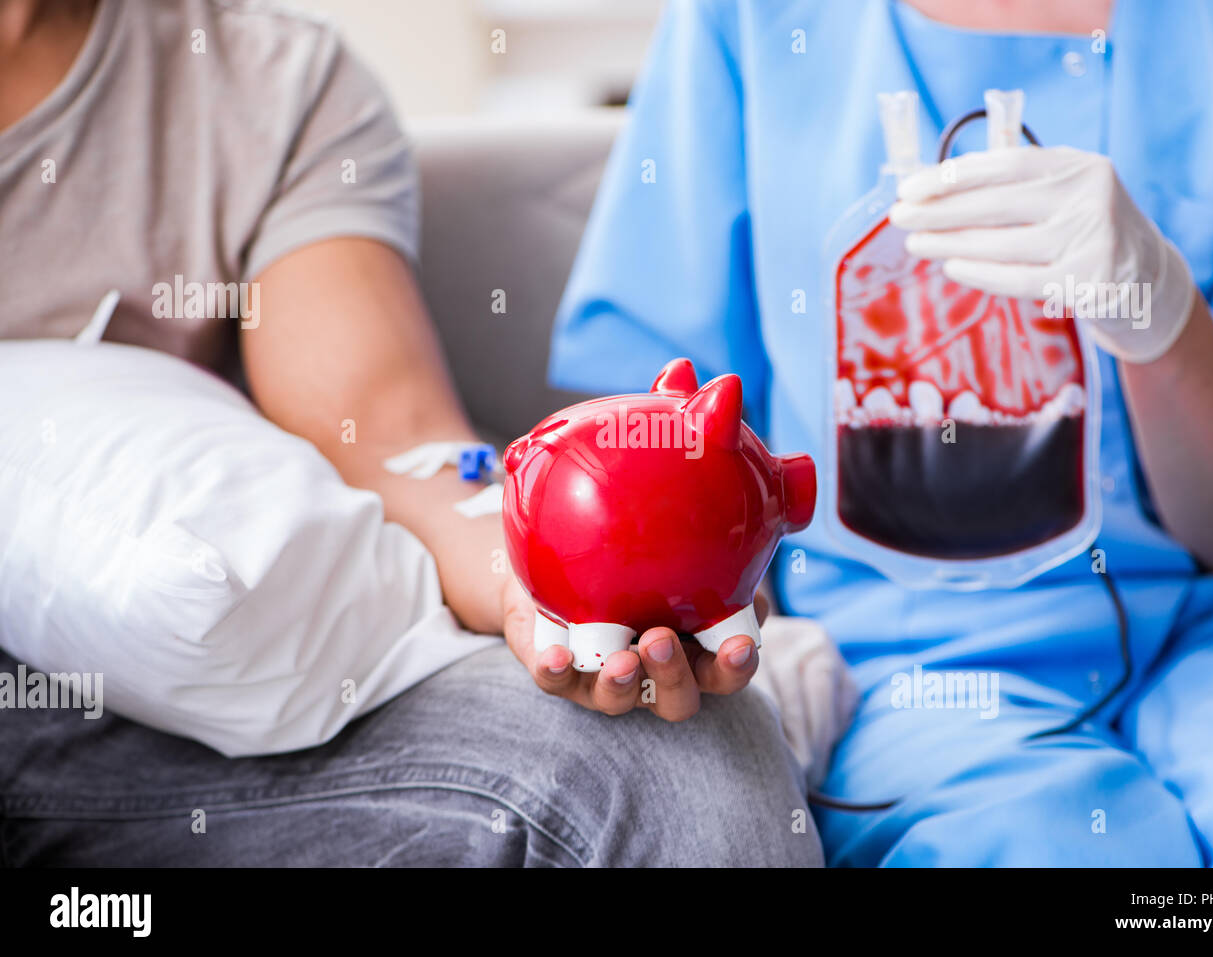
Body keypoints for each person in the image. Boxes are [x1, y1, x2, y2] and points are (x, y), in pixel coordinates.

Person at [0, 0, 823, 866]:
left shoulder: (267, 83)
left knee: (691, 772)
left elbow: (402, 443)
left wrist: (532, 580)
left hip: (148, 720)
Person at [550, 0, 1213, 866]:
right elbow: (644, 432)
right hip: (914, 661)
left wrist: (1166, 324)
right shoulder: (753, 22)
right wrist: (706, 616)